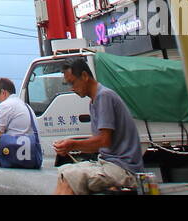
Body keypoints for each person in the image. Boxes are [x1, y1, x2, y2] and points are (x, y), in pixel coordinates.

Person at [52, 58, 144, 194]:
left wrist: (72, 145)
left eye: (72, 82)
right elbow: (100, 143)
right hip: (109, 164)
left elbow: (104, 141)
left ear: (84, 76)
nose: (72, 88)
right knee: (64, 172)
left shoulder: (104, 97)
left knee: (70, 177)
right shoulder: (95, 100)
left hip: (124, 169)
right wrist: (70, 147)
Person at [0, 77, 37, 167]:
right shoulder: (25, 105)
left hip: (18, 155)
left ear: (3, 93)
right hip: (34, 155)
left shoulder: (5, 105)